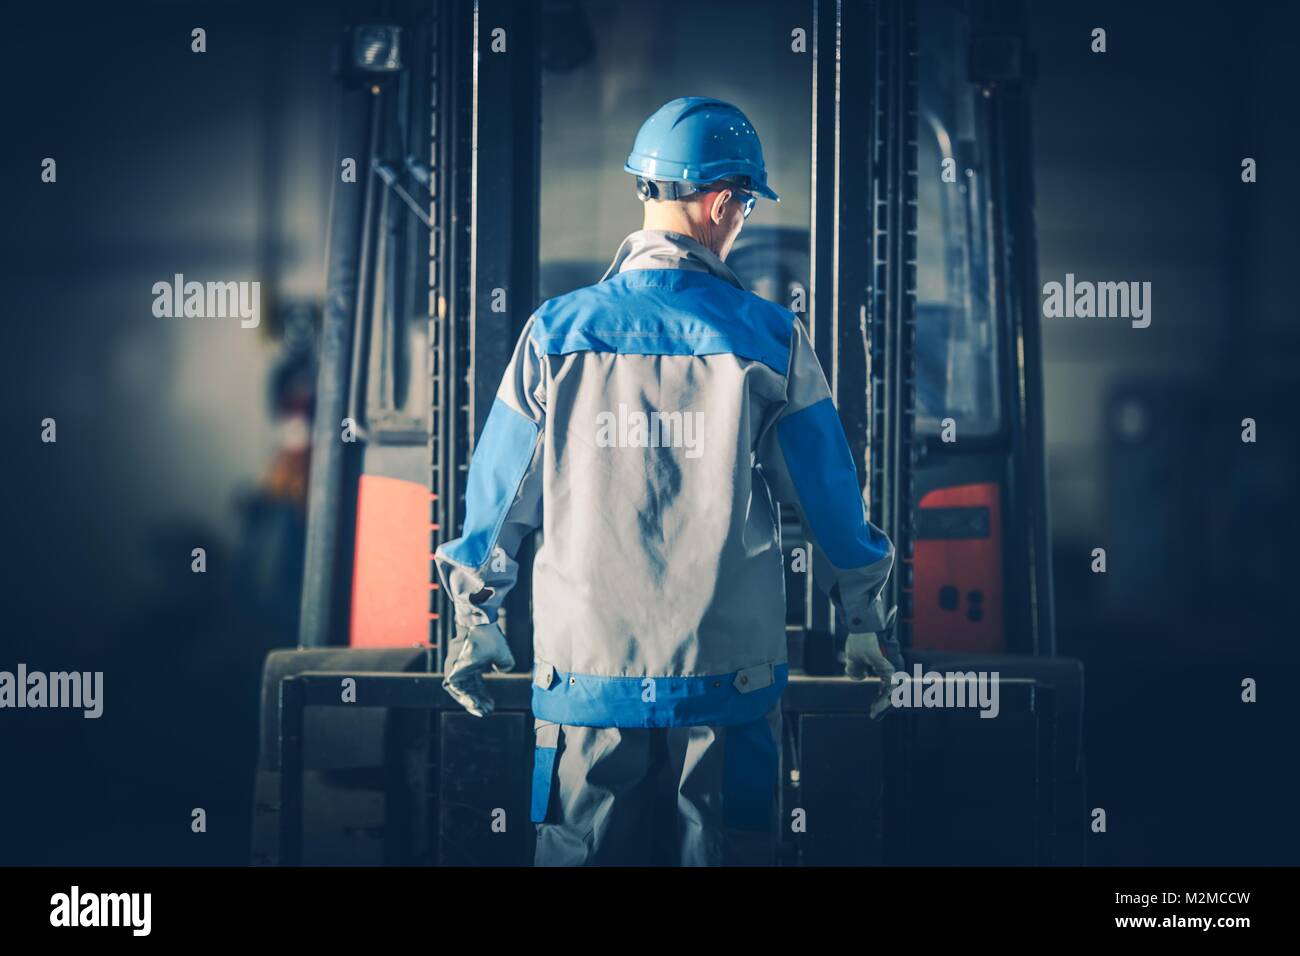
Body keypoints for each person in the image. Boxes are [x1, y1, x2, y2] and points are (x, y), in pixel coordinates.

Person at [434, 96, 901, 866]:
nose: (741, 220)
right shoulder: (771, 338)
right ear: (722, 202)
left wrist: (476, 614)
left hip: (585, 676)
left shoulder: (554, 332)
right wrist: (862, 618)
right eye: (744, 205)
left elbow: (499, 496)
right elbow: (829, 499)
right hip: (728, 678)